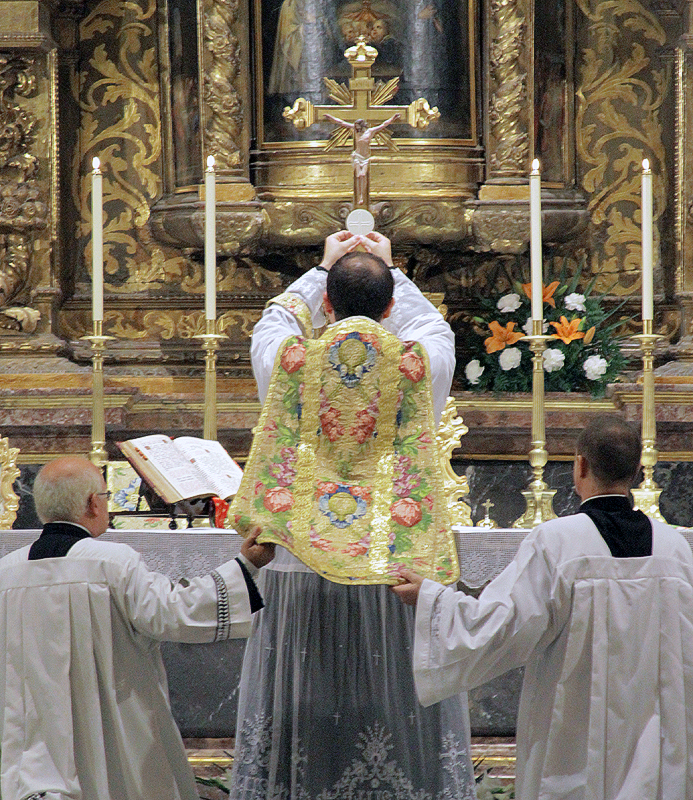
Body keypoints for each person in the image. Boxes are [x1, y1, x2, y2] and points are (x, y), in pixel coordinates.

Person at [229, 231, 476, 800]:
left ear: (328, 306)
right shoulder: (418, 361)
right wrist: (394, 271)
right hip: (391, 564)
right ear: (390, 306)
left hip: (301, 558)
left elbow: (273, 322)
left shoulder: (290, 359)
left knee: (304, 710)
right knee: (392, 703)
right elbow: (432, 326)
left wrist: (321, 270)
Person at [394, 415, 693, 800]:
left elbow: (501, 626)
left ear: (579, 466)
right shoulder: (675, 549)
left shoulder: (558, 542)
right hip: (657, 738)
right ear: (637, 471)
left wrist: (432, 599)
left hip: (576, 739)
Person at [0, 456, 275, 800]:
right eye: (104, 496)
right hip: (106, 728)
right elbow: (173, 613)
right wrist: (245, 566)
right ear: (91, 503)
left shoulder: (7, 572)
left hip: (30, 735)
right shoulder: (112, 563)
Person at [322, 114, 401, 206]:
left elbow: (384, 124)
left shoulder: (370, 131)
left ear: (363, 126)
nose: (357, 129)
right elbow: (341, 123)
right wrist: (330, 118)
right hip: (357, 156)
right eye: (356, 128)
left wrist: (393, 118)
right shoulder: (355, 131)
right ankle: (359, 196)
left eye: (359, 127)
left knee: (363, 175)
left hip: (366, 158)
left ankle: (362, 195)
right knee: (359, 176)